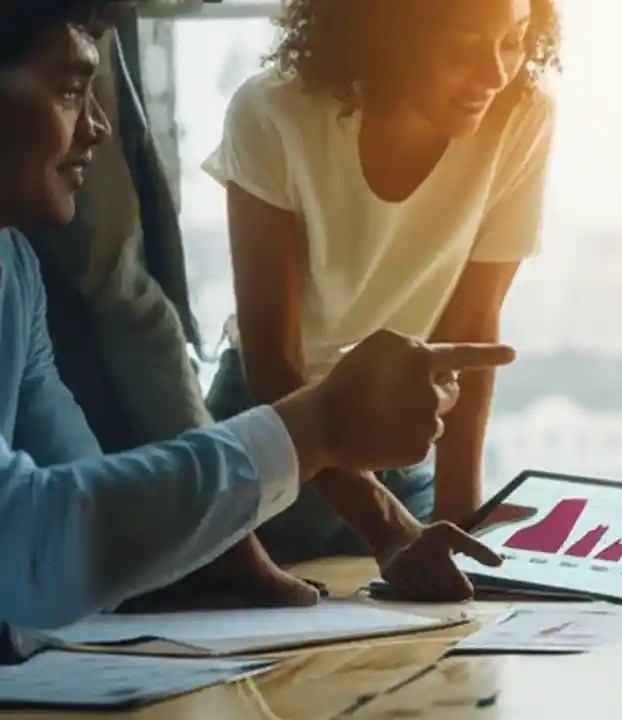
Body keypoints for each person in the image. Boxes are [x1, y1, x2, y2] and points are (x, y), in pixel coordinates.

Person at [0, 0, 512, 630]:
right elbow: (26, 545)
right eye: (71, 89)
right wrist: (319, 423)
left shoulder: (12, 269)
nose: (100, 127)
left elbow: (79, 507)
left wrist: (211, 550)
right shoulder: (272, 113)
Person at [200, 0, 559, 598]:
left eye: (514, 42)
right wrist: (387, 526)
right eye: (464, 47)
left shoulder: (520, 115)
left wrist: (458, 521)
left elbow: (469, 341)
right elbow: (272, 363)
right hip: (275, 431)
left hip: (401, 436)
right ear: (386, 34)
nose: (495, 73)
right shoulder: (273, 111)